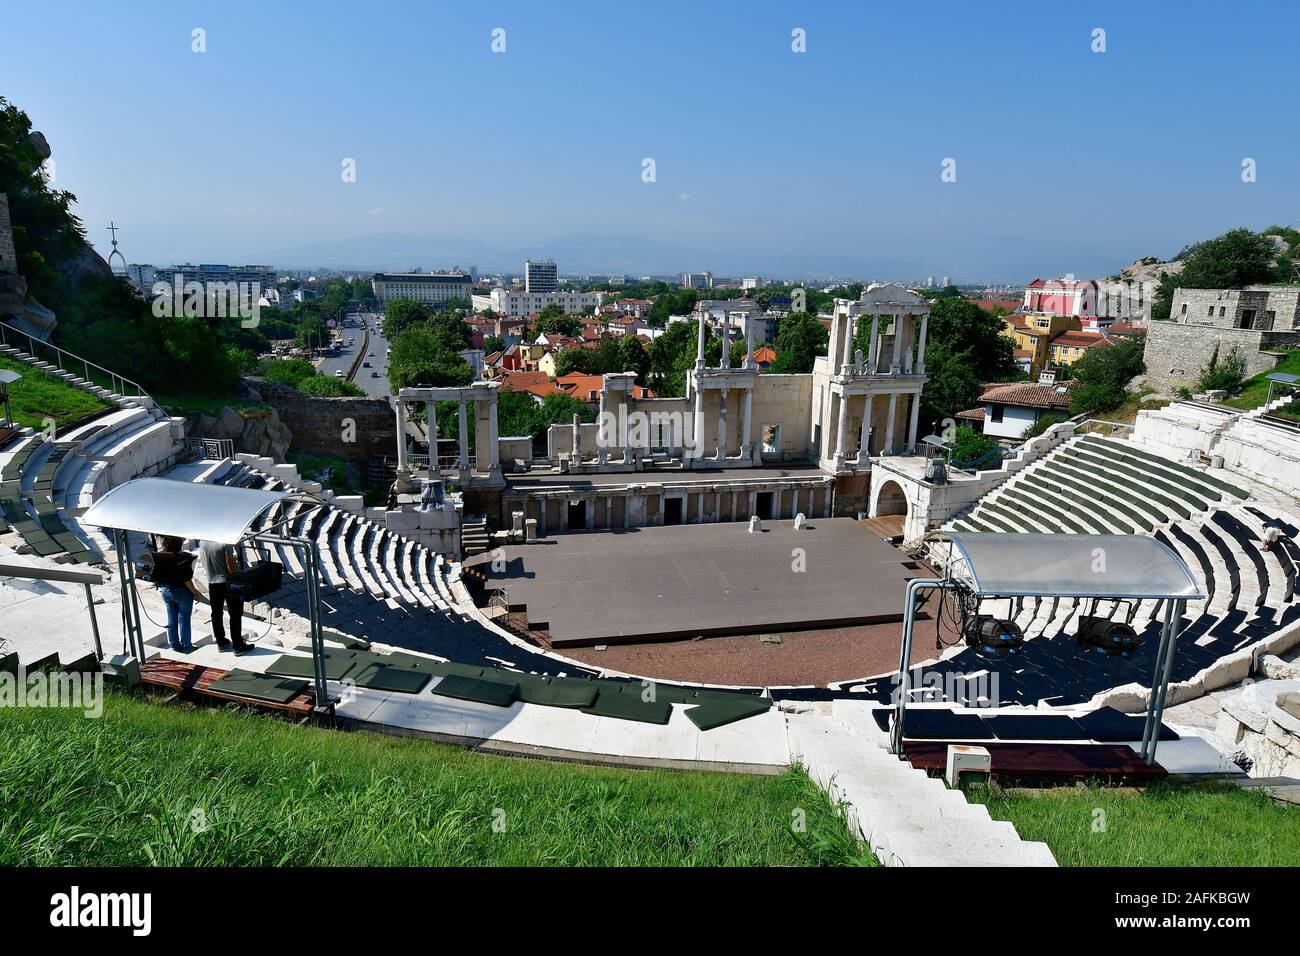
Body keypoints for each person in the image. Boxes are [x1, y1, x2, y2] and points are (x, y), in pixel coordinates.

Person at [198, 539, 251, 654]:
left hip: (212, 581)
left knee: (216, 613)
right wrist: (236, 578)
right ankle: (238, 645)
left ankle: (221, 642)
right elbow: (230, 562)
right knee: (235, 613)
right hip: (227, 582)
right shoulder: (225, 542)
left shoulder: (202, 541)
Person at [154, 536, 201, 654]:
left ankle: (174, 645)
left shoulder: (160, 556)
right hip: (181, 591)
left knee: (172, 619)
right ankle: (187, 646)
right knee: (184, 619)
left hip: (166, 590)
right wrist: (195, 592)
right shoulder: (183, 558)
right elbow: (186, 579)